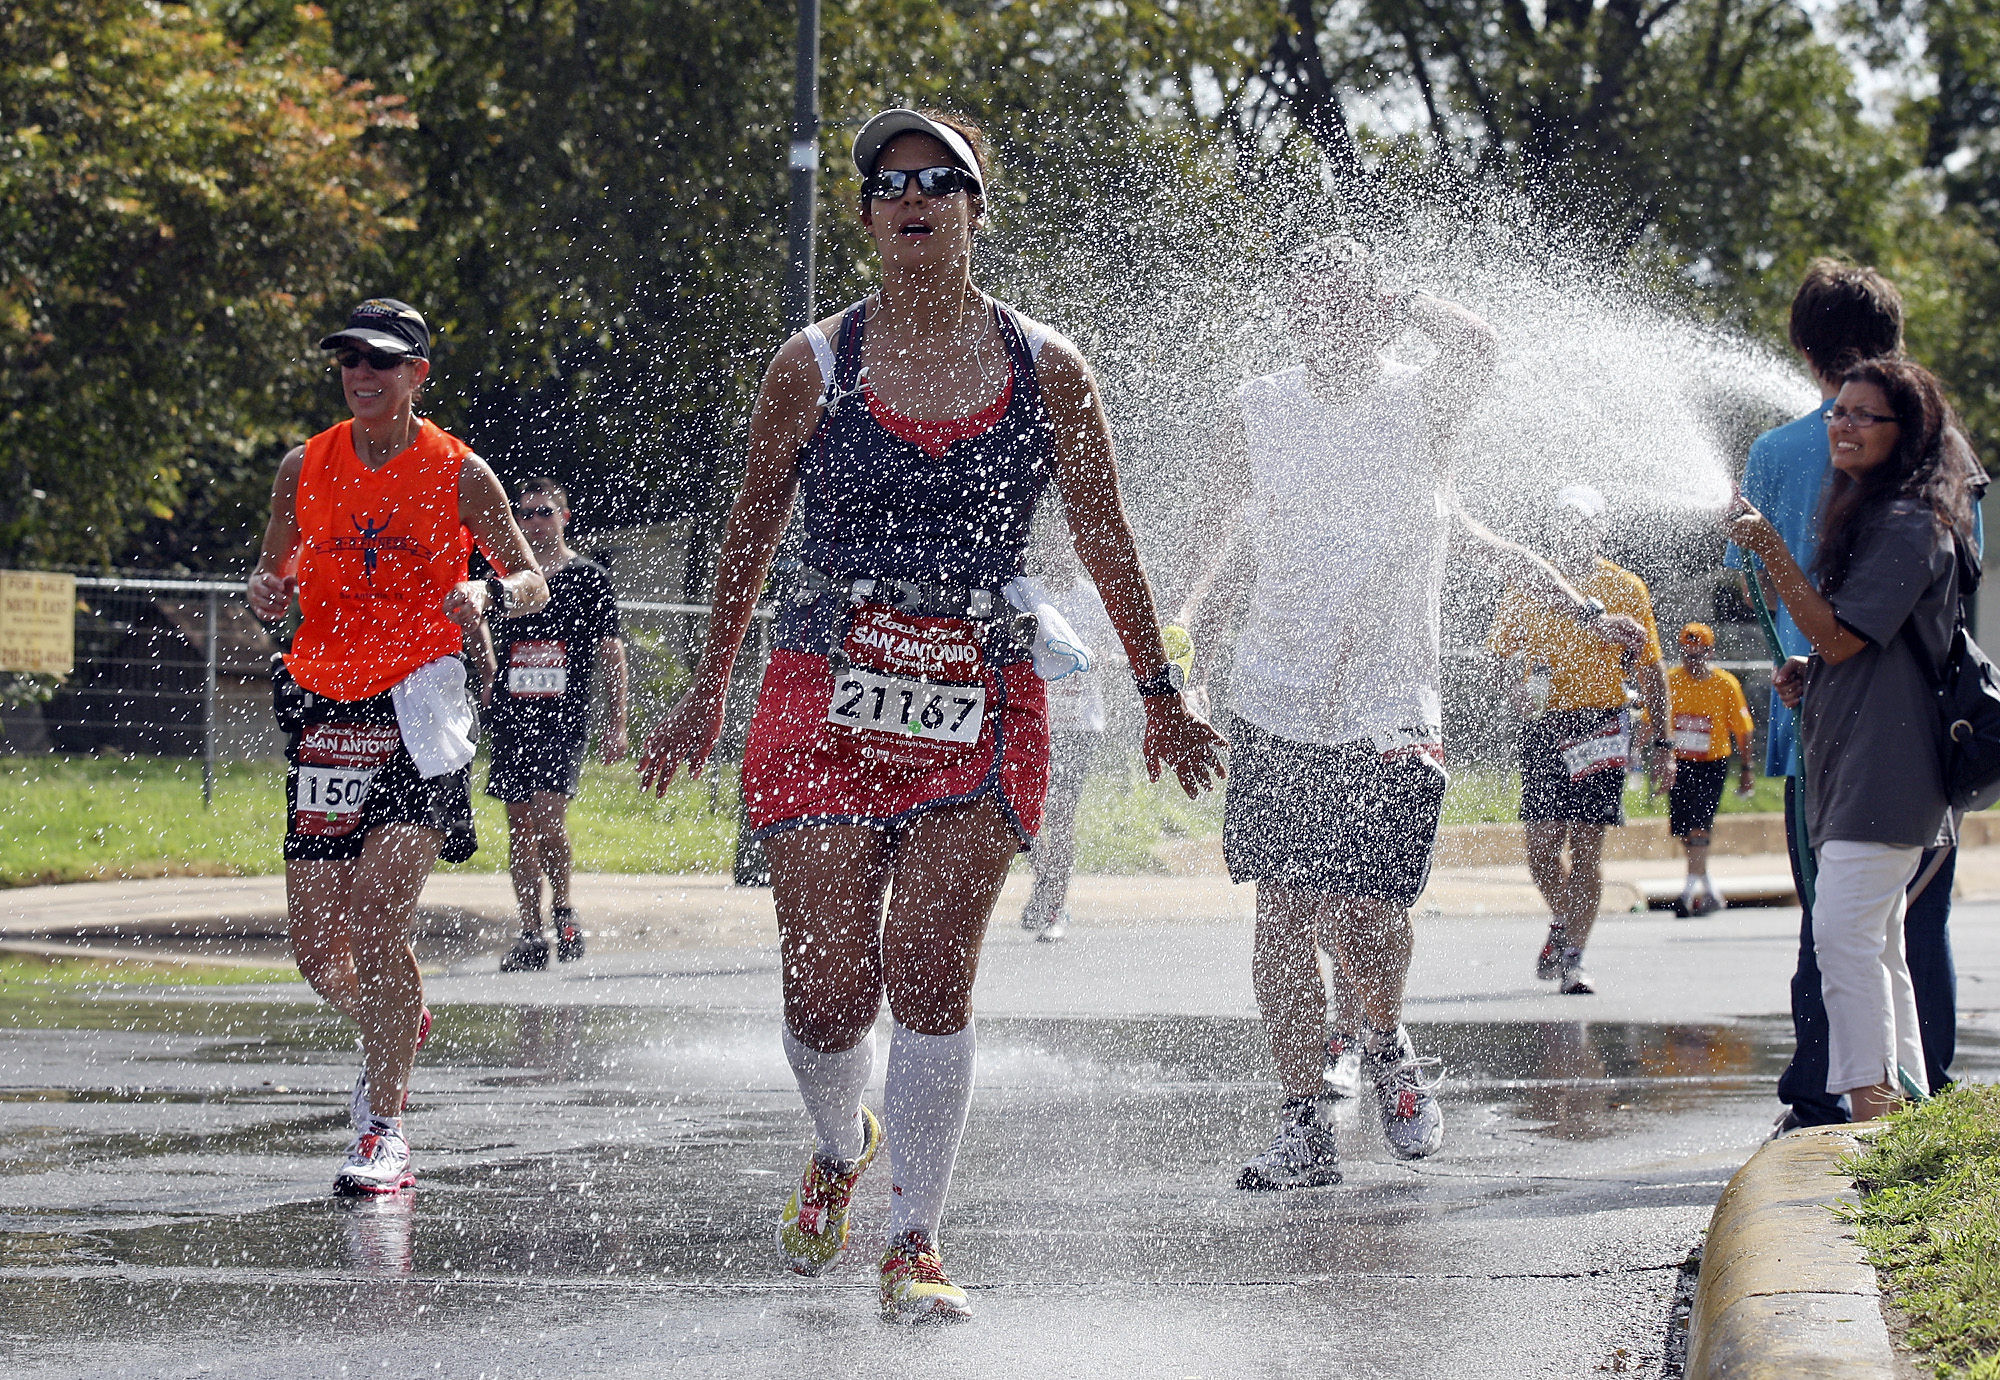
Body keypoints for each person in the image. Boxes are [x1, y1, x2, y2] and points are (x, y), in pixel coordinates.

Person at [634, 109, 1224, 1324]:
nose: (913, 198)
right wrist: (706, 684)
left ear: (974, 209)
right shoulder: (812, 364)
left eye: (939, 180)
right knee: (825, 994)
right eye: (889, 183)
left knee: (928, 971)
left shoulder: (1047, 367)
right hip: (825, 681)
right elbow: (751, 527)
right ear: (864, 217)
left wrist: (1159, 695)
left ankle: (915, 1241)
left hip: (979, 689)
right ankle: (837, 1143)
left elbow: (1104, 534)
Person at [1179, 238, 1648, 1192]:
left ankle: (1386, 1042)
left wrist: (1402, 299)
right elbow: (1215, 544)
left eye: (1345, 300)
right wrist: (1180, 667)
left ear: (1375, 309)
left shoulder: (1419, 402)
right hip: (1275, 697)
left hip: (1392, 704)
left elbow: (1480, 349)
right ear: (1291, 313)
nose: (1326, 317)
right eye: (1309, 300)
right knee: (1282, 910)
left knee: (1366, 910)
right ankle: (1303, 1121)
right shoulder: (1256, 409)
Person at [246, 298, 548, 1195]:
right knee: (318, 953)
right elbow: (275, 564)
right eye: (349, 360)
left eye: (380, 361)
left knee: (378, 922)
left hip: (420, 705)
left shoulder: (459, 471)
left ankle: (384, 1129)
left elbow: (531, 578)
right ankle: (394, 1017)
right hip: (326, 713)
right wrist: (266, 588)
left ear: (417, 373)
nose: (361, 374)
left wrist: (488, 596)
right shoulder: (305, 464)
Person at [1728, 260, 1977, 1131]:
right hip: (1867, 727)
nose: (1839, 423)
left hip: (1879, 751)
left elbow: (1839, 629)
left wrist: (1771, 550)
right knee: (1895, 935)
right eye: (1840, 411)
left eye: (1859, 415)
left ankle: (1846, 1106)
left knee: (1838, 932)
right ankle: (1912, 1102)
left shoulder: (1905, 515)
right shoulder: (1938, 478)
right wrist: (1820, 670)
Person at [1487, 484, 1675, 995]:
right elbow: (1500, 656)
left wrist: (1663, 746)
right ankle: (1564, 921)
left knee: (1587, 848)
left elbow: (1652, 669)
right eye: (1564, 523)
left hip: (1602, 724)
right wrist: (1514, 689)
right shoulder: (1530, 583)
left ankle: (1574, 957)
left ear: (1600, 528)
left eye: (1582, 524)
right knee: (1542, 849)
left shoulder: (1625, 587)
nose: (1572, 532)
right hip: (1545, 725)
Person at [478, 476, 629, 971]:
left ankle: (563, 910)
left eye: (545, 512)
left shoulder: (587, 577)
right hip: (512, 716)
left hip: (562, 719)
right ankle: (530, 932)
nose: (535, 522)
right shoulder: (506, 578)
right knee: (520, 827)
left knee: (549, 820)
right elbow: (478, 624)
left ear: (563, 517)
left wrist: (617, 722)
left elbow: (611, 651)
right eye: (525, 514)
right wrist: (487, 674)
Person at [1017, 544, 1116, 944]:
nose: (1061, 554)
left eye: (1068, 546)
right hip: (1035, 720)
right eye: (1053, 545)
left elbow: (1116, 652)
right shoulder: (1030, 592)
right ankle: (1045, 883)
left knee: (1059, 816)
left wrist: (1102, 658)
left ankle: (1054, 906)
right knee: (1029, 815)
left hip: (1079, 726)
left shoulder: (1092, 597)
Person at [1663, 622, 1756, 916]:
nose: (1692, 661)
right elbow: (1654, 721)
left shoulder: (1725, 684)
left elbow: (1743, 729)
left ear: (1710, 652)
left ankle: (1687, 892)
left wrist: (1747, 768)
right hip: (1680, 763)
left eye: (1698, 654)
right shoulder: (1671, 681)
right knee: (1685, 830)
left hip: (1712, 764)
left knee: (1700, 826)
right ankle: (1710, 890)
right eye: (1687, 654)